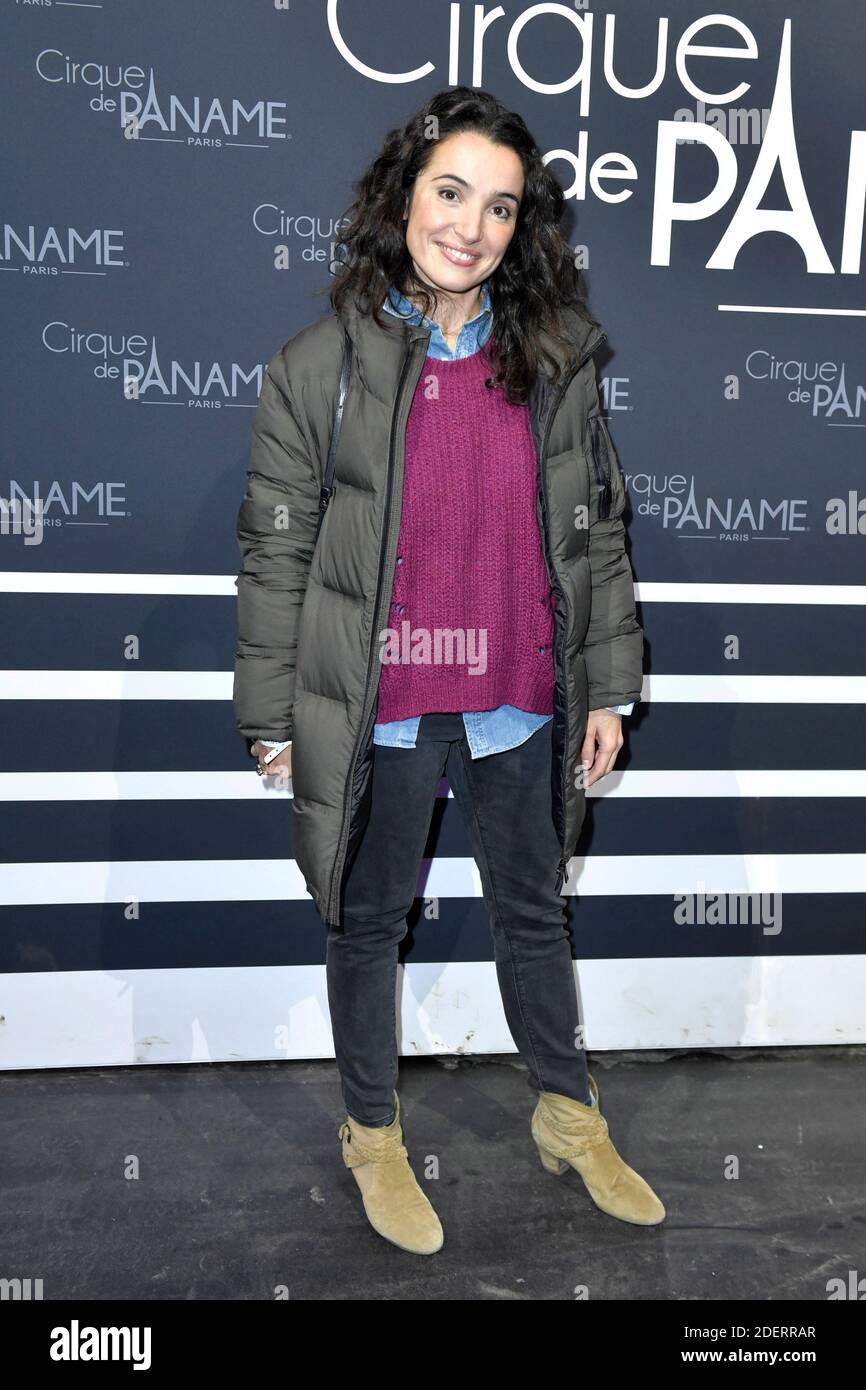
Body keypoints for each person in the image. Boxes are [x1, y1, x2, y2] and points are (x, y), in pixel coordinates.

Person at [233, 87, 664, 1256]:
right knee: (366, 922)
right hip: (384, 699)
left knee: (534, 914)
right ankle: (371, 1133)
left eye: (500, 207)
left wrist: (608, 688)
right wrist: (272, 714)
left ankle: (566, 1116)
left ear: (523, 229)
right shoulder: (316, 366)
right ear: (403, 196)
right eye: (449, 192)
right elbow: (276, 553)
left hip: (522, 689)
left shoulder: (558, 357)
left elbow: (597, 530)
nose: (469, 226)